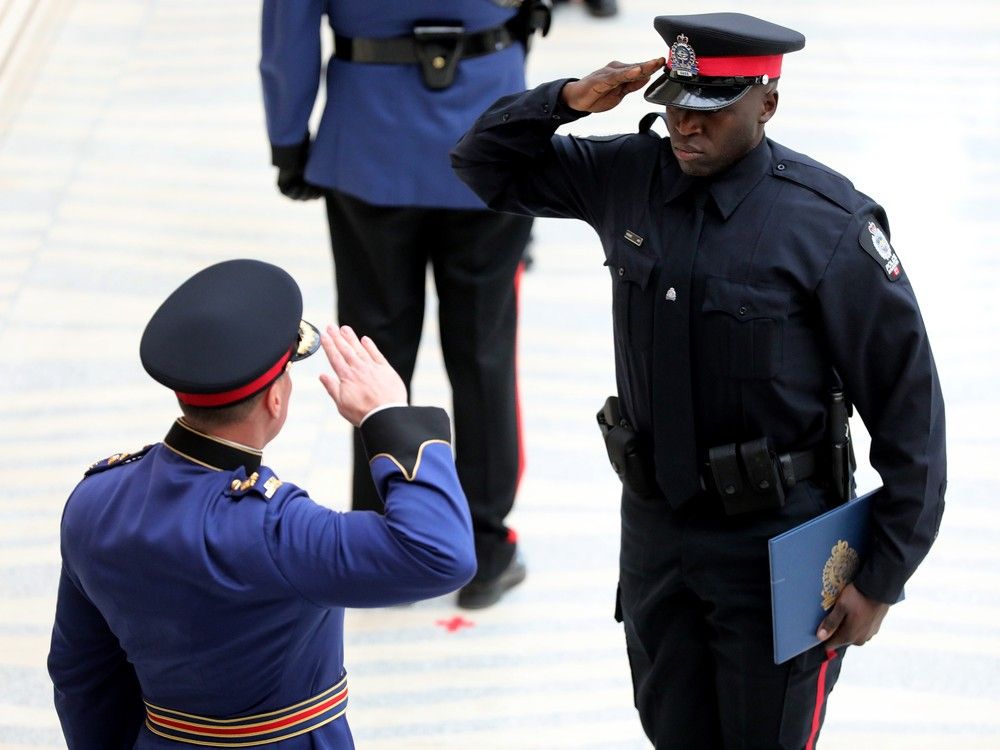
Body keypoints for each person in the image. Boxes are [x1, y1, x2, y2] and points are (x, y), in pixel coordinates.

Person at [452, 11, 946, 748]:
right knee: (671, 731)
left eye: (711, 111)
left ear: (767, 103)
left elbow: (911, 416)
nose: (687, 126)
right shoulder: (627, 176)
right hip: (657, 534)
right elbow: (481, 164)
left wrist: (880, 577)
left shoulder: (829, 226)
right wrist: (567, 101)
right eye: (676, 105)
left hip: (776, 546)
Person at [47, 259, 476, 749]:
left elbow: (79, 673)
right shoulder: (277, 530)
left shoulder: (95, 499)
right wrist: (387, 416)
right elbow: (441, 552)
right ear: (276, 399)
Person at [260, 0, 550, 609]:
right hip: (489, 127)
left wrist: (289, 141)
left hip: (370, 138)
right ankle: (486, 549)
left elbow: (288, 36)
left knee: (375, 352)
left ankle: (382, 548)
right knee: (484, 351)